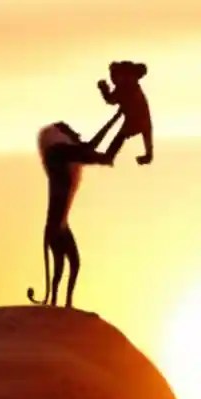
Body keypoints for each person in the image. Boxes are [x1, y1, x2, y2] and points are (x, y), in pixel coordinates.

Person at [28, 113, 122, 308]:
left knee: (73, 263)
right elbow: (88, 150)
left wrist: (116, 123)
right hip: (56, 226)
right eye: (69, 130)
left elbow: (91, 151)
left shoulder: (62, 154)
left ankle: (65, 303)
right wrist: (114, 122)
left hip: (61, 224)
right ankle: (55, 302)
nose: (74, 133)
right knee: (61, 266)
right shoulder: (59, 153)